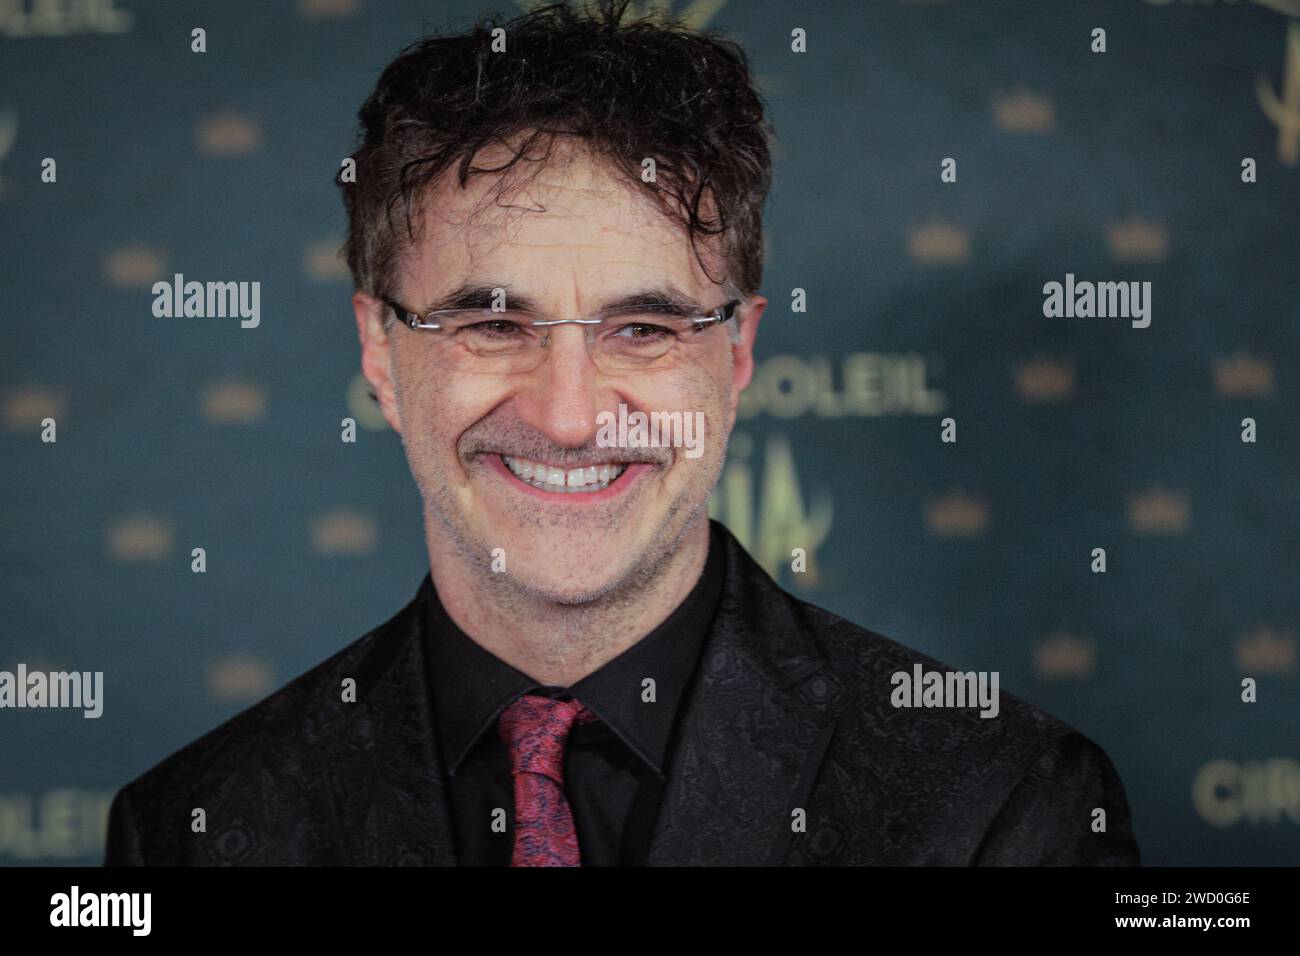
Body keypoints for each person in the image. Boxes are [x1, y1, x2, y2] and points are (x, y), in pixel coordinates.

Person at [104, 0, 1139, 866]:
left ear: (735, 356)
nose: (566, 413)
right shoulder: (192, 827)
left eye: (641, 328)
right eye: (491, 322)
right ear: (380, 349)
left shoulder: (997, 804)